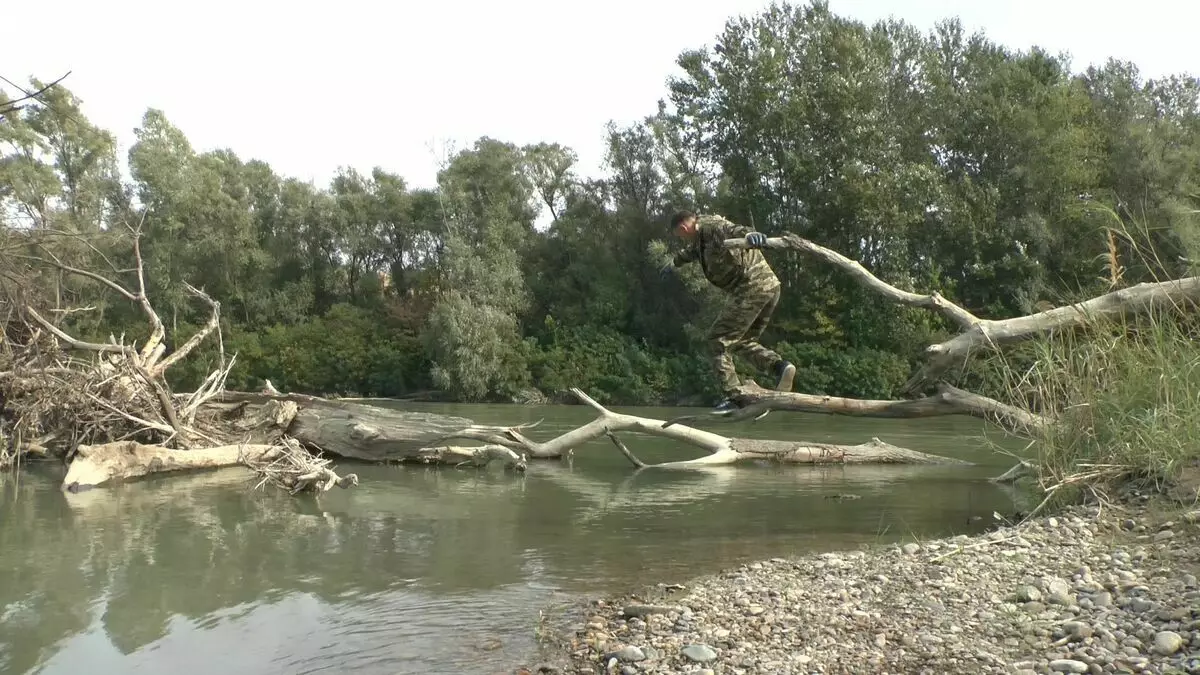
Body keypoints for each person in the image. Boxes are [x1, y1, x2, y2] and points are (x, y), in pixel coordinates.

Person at [663, 209, 796, 413]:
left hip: (752, 287)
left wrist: (751, 235)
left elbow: (734, 229)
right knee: (742, 341)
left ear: (683, 228)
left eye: (680, 236)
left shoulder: (711, 226)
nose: (682, 240)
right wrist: (674, 263)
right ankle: (780, 367)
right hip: (769, 287)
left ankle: (735, 397)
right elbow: (691, 253)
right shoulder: (700, 240)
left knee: (717, 341)